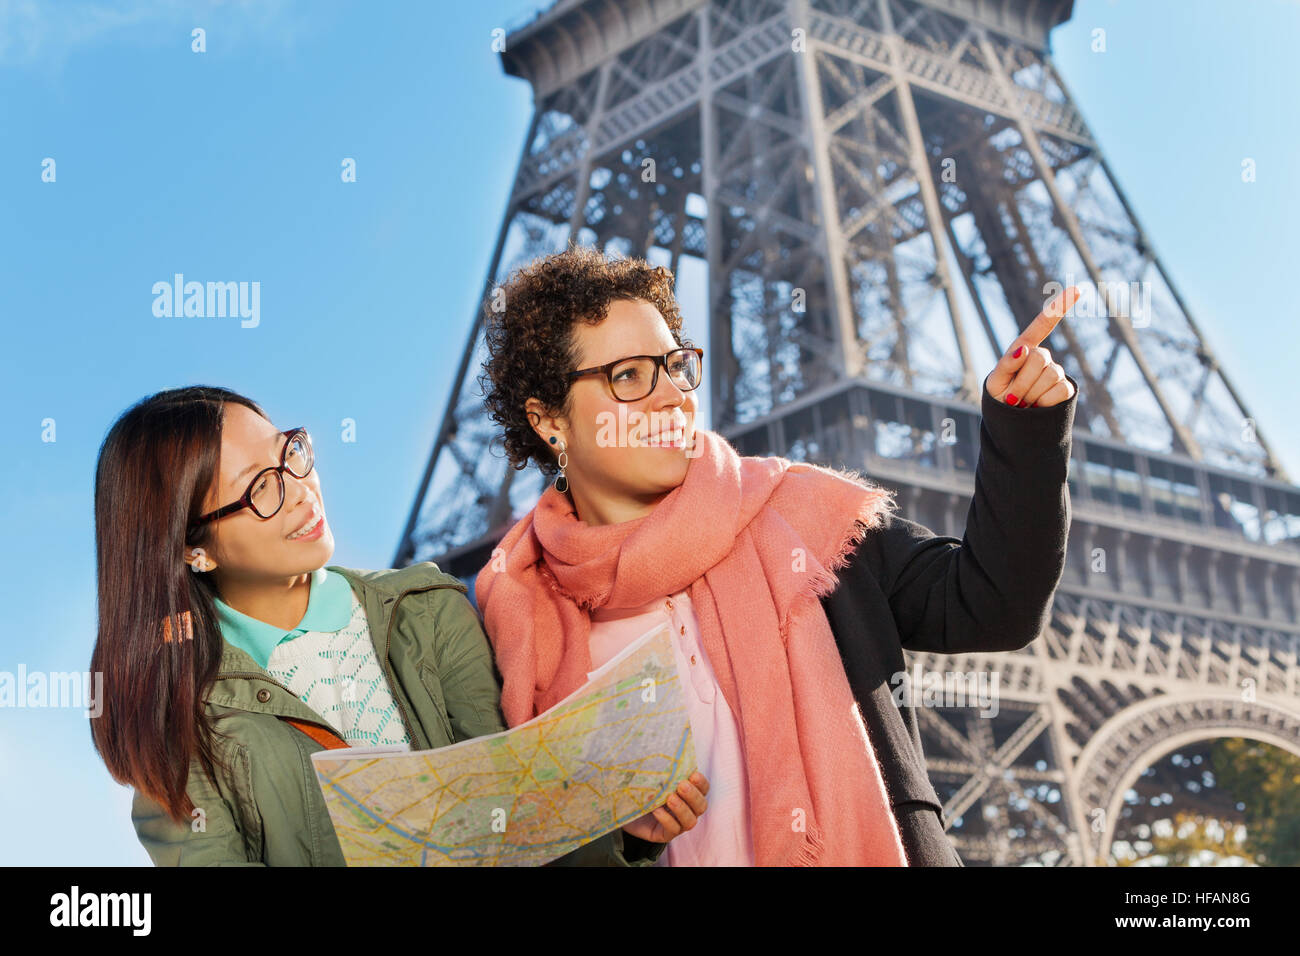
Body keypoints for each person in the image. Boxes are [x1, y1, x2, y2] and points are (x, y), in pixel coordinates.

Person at [474, 244, 1081, 866]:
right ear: (549, 421)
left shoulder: (802, 518)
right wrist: (621, 831)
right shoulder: (514, 620)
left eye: (676, 366)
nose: (672, 396)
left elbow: (995, 603)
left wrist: (1025, 430)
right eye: (628, 375)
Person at [88, 385, 708, 866]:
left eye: (290, 452)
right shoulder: (176, 726)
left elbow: (522, 814)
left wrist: (616, 825)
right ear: (195, 550)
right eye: (262, 489)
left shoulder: (429, 608)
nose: (302, 489)